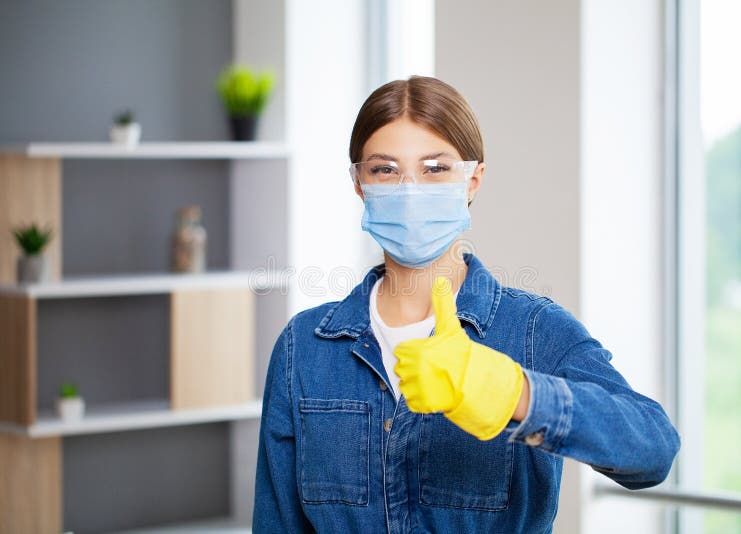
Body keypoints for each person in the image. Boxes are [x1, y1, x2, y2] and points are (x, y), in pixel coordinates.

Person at [252, 75, 680, 533]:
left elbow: (653, 451)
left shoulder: (534, 332)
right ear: (359, 182)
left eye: (435, 169)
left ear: (473, 179)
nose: (410, 190)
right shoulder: (303, 347)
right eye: (385, 170)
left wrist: (514, 392)